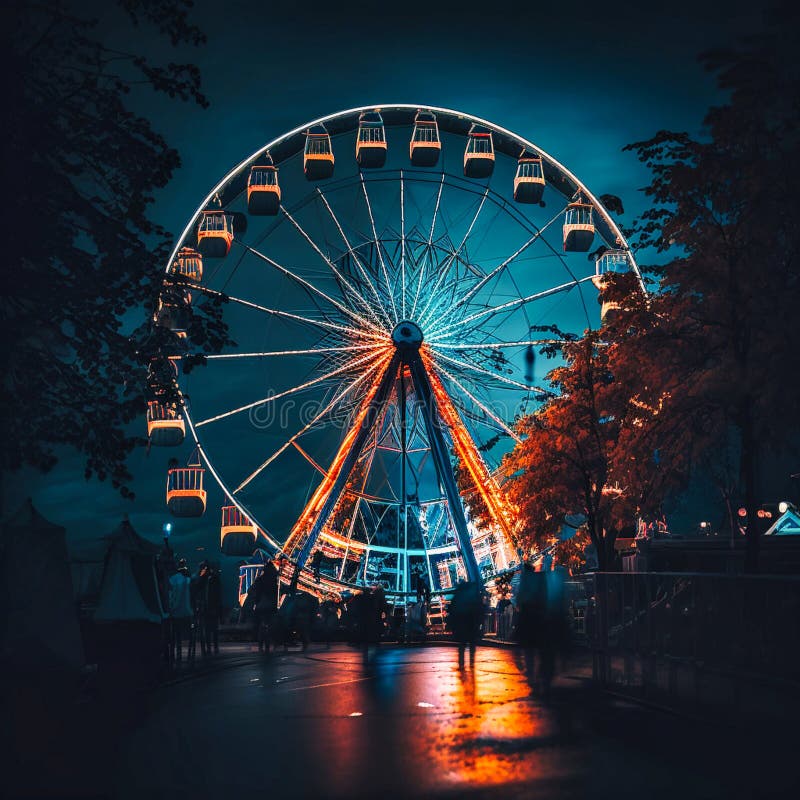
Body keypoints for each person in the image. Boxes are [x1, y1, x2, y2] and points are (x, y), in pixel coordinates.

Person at [447, 580, 483, 667]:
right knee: (472, 643)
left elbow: (452, 610)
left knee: (462, 644)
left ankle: (461, 663)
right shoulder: (473, 596)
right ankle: (471, 662)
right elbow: (479, 609)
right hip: (471, 623)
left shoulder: (458, 596)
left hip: (461, 624)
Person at [249, 559, 279, 652]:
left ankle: (261, 644)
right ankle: (267, 644)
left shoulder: (260, 580)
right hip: (270, 606)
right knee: (270, 625)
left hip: (261, 605)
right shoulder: (274, 581)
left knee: (261, 625)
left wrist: (255, 601)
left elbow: (251, 590)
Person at [168, 561, 193, 664]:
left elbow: (172, 597)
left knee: (175, 635)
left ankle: (174, 655)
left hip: (175, 613)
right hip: (187, 612)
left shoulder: (173, 580)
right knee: (185, 635)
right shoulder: (187, 581)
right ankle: (185, 656)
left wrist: (171, 608)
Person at [203, 562, 223, 655]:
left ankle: (210, 647)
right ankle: (214, 647)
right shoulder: (215, 579)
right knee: (213, 629)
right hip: (212, 607)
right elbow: (218, 595)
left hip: (208, 607)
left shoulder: (206, 580)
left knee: (209, 629)